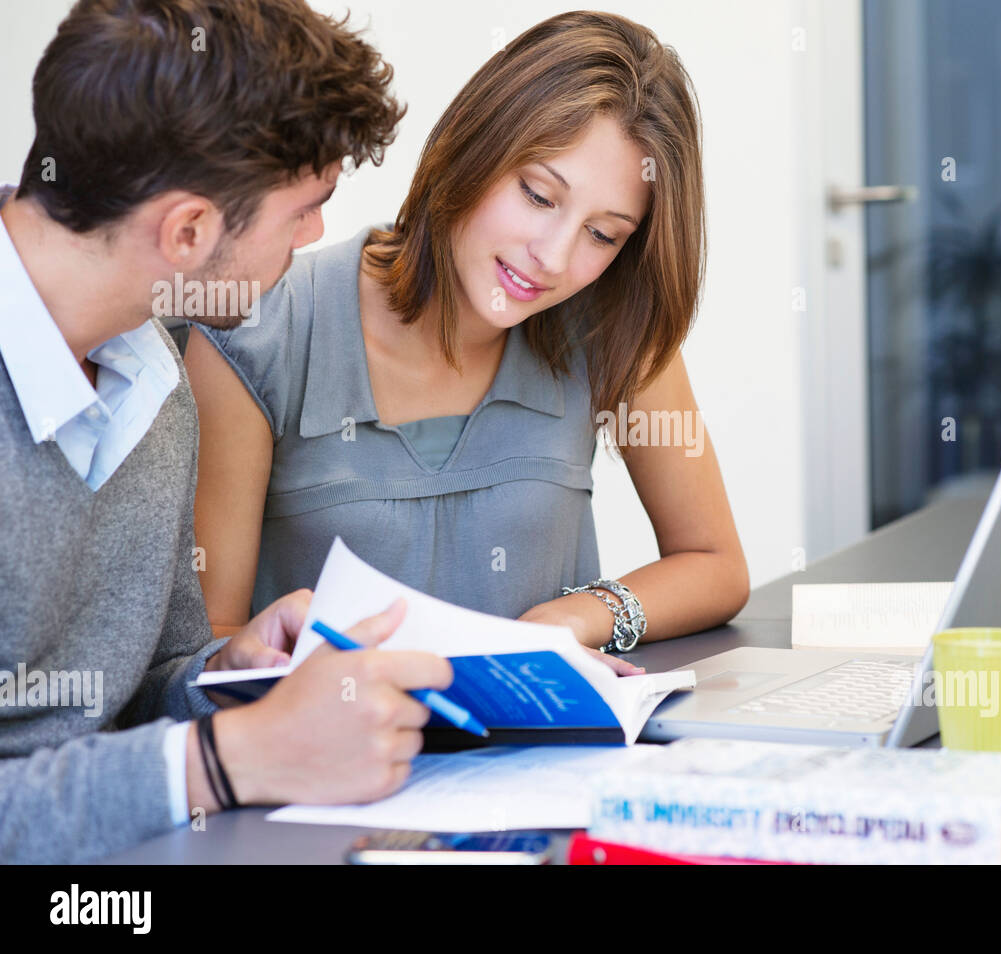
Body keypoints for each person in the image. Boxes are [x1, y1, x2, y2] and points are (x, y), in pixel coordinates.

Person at [0, 0, 452, 864]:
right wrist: (229, 758)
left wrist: (227, 676)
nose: (319, 234)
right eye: (304, 208)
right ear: (189, 232)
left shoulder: (155, 368)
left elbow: (132, 696)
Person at [187, 11, 750, 660]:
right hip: (335, 751)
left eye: (603, 234)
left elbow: (714, 563)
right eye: (539, 195)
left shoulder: (607, 322)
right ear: (473, 149)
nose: (554, 256)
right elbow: (210, 647)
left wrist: (576, 618)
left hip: (543, 756)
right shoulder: (260, 332)